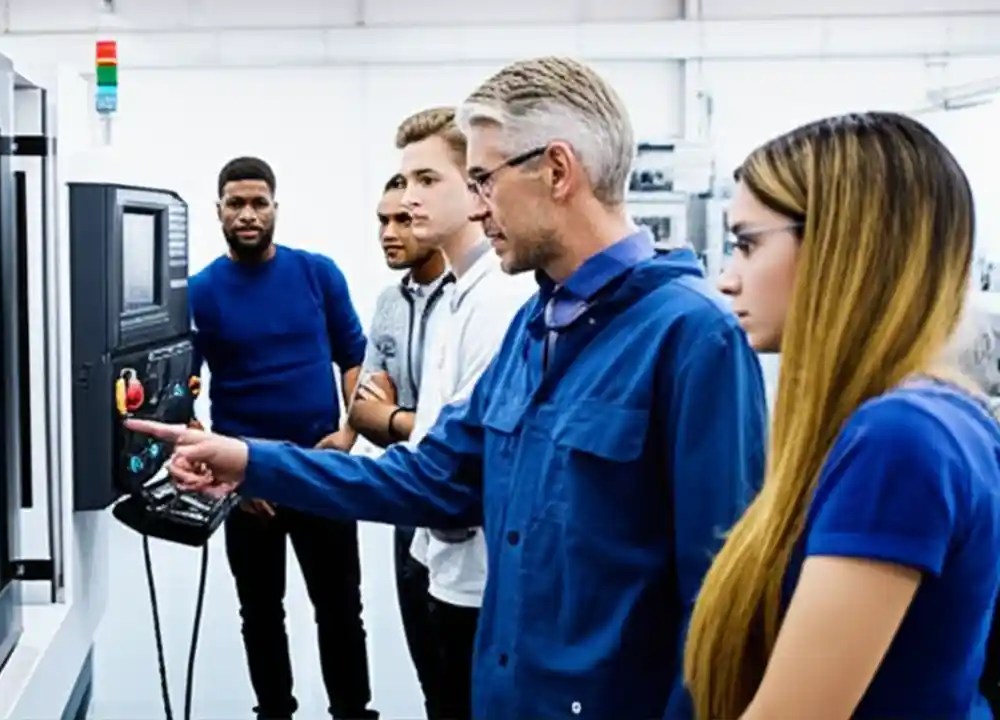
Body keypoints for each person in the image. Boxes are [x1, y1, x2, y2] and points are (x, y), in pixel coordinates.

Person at [133, 58, 768, 719]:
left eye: (482, 180)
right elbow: (432, 478)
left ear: (557, 170)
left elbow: (725, 610)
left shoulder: (692, 337)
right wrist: (249, 461)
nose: (473, 204)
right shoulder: (538, 326)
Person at [685, 112, 1000, 720]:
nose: (726, 279)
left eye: (747, 244)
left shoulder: (900, 439)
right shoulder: (945, 418)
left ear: (842, 244)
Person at [353, 106, 533, 719]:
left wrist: (264, 466)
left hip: (478, 572)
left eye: (428, 181)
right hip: (440, 555)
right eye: (404, 182)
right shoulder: (455, 296)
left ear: (477, 185)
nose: (410, 199)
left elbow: (454, 464)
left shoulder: (501, 301)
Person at [188, 156, 378, 720]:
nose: (248, 215)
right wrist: (225, 474)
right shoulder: (200, 292)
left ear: (275, 207)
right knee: (261, 613)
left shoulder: (317, 274)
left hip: (321, 475)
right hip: (249, 485)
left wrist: (350, 431)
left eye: (258, 203)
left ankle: (352, 711)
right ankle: (274, 712)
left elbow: (355, 357)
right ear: (218, 210)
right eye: (236, 204)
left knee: (341, 608)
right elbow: (181, 394)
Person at [348, 170, 453, 716]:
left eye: (403, 220)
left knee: (465, 676)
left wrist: (392, 417)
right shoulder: (390, 301)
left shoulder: (469, 300)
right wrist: (389, 419)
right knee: (430, 674)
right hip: (405, 503)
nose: (389, 232)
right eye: (382, 221)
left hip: (460, 506)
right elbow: (360, 409)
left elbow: (465, 426)